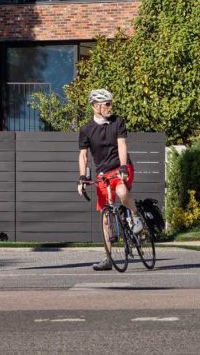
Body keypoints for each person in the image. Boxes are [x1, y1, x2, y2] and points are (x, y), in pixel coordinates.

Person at [77, 88, 143, 272]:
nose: (110, 107)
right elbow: (83, 156)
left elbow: (122, 145)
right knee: (106, 217)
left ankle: (135, 216)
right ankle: (108, 258)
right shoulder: (86, 130)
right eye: (106, 104)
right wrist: (82, 178)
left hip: (121, 168)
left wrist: (123, 167)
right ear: (96, 106)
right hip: (103, 174)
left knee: (122, 192)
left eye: (110, 103)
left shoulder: (118, 122)